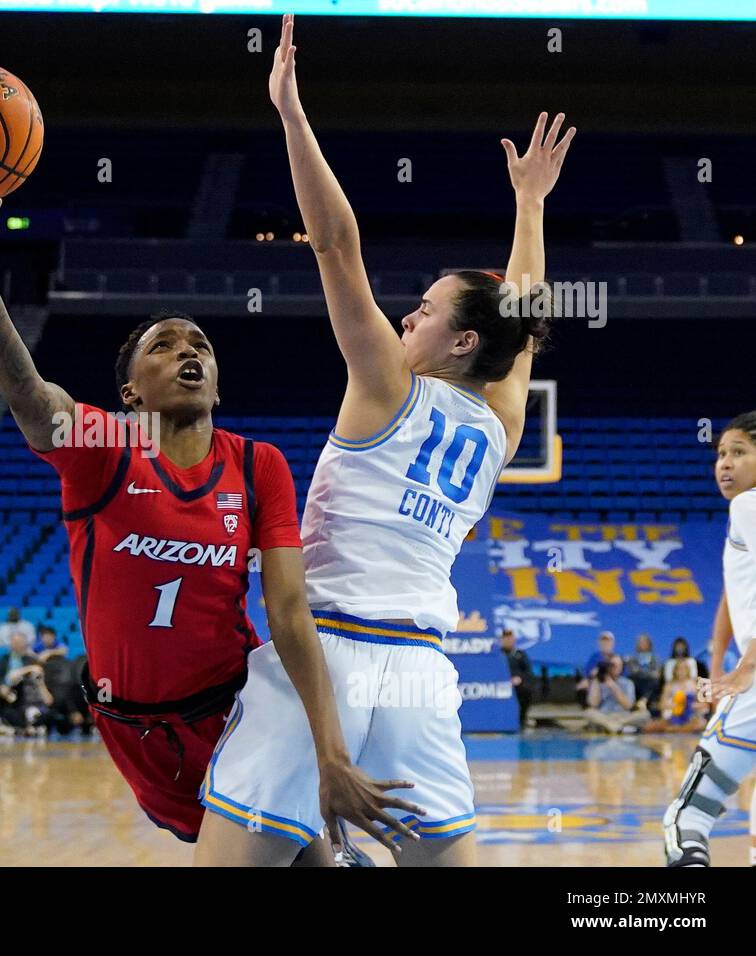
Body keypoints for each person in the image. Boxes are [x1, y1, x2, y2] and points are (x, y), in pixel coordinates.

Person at [0, 149, 413, 856]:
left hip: (243, 709)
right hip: (134, 730)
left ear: (216, 380)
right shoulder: (103, 447)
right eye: (165, 345)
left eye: (200, 344)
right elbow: (28, 395)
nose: (190, 352)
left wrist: (330, 750)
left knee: (301, 858)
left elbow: (289, 610)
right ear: (130, 394)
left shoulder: (256, 463)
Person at [194, 16, 573, 867]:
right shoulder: (501, 424)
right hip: (420, 677)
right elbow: (526, 311)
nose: (408, 313)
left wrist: (291, 116)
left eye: (428, 308)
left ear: (463, 342)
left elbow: (334, 244)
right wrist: (530, 204)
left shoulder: (385, 387)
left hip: (321, 656)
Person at [664, 412, 756, 866]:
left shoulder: (749, 506)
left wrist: (746, 667)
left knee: (686, 821)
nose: (725, 463)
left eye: (739, 452)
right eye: (721, 453)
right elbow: (731, 593)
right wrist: (718, 664)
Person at [583, 655, 648, 734]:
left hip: (623, 716)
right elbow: (593, 704)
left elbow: (628, 706)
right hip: (605, 715)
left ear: (622, 667)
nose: (616, 667)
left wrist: (613, 685)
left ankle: (613, 726)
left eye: (619, 665)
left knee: (645, 714)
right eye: (613, 665)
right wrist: (596, 679)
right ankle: (616, 726)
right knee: (589, 712)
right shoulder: (598, 682)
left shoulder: (628, 683)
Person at [499, 628, 533, 728]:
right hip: (501, 683)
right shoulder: (497, 655)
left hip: (518, 684)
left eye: (510, 638)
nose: (508, 640)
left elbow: (528, 671)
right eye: (506, 638)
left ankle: (522, 718)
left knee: (526, 691)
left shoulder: (520, 654)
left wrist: (520, 678)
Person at [625, 634, 663, 716]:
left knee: (655, 682)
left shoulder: (655, 659)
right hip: (637, 682)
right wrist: (648, 673)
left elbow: (657, 673)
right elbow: (633, 671)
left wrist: (642, 672)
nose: (642, 644)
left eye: (644, 642)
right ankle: (635, 704)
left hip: (650, 684)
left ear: (649, 644)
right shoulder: (632, 658)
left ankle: (643, 701)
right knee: (630, 680)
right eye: (640, 642)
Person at [577, 632, 616, 708]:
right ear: (599, 643)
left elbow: (623, 675)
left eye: (608, 641)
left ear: (612, 643)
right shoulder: (594, 658)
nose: (605, 643)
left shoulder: (617, 658)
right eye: (603, 641)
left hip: (612, 684)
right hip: (596, 684)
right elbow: (587, 674)